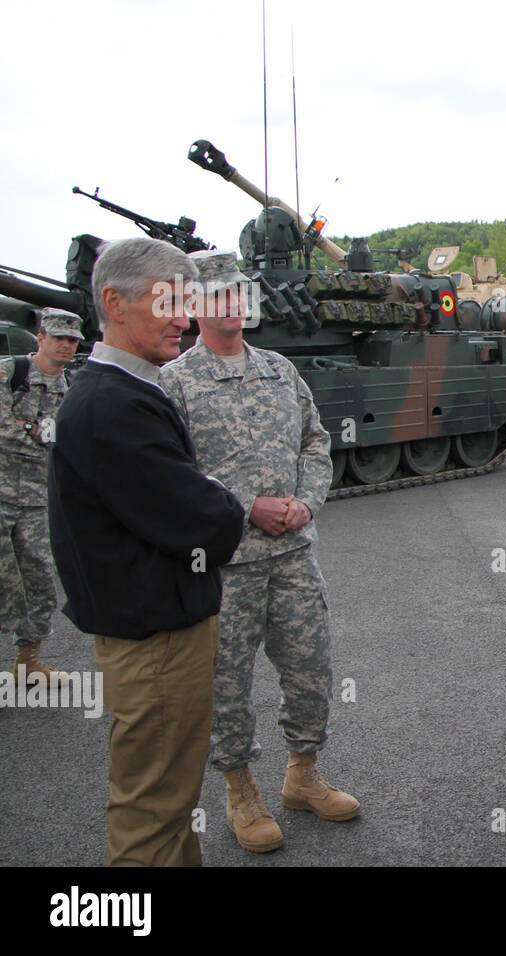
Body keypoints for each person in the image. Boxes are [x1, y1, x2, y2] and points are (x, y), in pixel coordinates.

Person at [48, 237, 246, 866]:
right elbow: (209, 522)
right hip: (156, 642)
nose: (184, 318)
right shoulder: (114, 404)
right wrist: (221, 498)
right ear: (114, 302)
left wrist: (206, 493)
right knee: (152, 819)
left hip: (155, 627)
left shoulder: (122, 390)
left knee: (170, 806)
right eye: (169, 302)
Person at [161, 250, 357, 855]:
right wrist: (249, 506)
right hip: (225, 565)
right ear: (193, 304)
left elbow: (315, 441)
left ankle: (303, 775)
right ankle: (239, 789)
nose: (233, 303)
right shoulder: (174, 383)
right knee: (226, 683)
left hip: (293, 555)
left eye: (239, 292)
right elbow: (170, 475)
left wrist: (307, 502)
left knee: (311, 670)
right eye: (219, 294)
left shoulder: (279, 369)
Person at [2, 308, 82, 687]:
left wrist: (29, 428)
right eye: (58, 338)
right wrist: (39, 433)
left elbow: (69, 438)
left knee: (39, 581)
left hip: (37, 499)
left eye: (72, 340)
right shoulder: (10, 373)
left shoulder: (71, 388)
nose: (66, 345)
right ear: (41, 339)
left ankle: (27, 660)